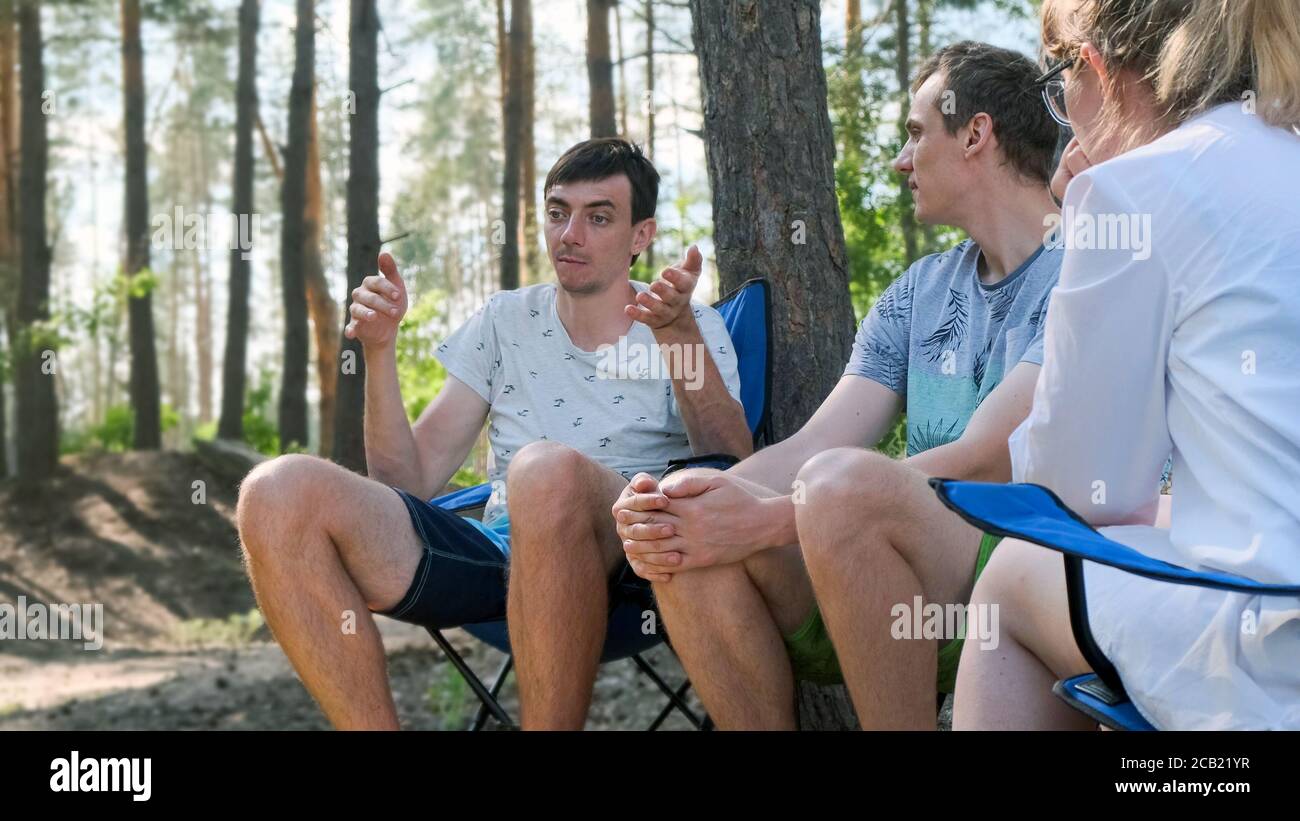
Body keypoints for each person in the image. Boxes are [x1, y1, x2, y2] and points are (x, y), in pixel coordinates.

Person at [613, 42, 1063, 729]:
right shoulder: (919, 292)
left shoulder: (1079, 273)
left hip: (1023, 570)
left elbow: (984, 459)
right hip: (885, 572)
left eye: (915, 134)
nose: (900, 160)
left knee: (836, 489)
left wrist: (770, 516)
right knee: (688, 531)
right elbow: (820, 439)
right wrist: (694, 502)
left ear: (975, 134)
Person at [237, 138, 750, 729]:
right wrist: (380, 353)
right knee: (276, 490)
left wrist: (676, 335)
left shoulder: (688, 322)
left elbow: (733, 466)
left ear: (642, 235)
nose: (569, 234)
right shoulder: (504, 321)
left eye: (598, 216)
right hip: (503, 557)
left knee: (544, 470)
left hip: (637, 557)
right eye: (558, 213)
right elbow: (405, 483)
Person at [954, 0, 1300, 730]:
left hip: (1275, 648)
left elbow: (1075, 496)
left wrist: (1092, 218)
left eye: (1058, 82)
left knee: (1015, 575)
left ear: (1097, 70)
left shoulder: (1136, 190)